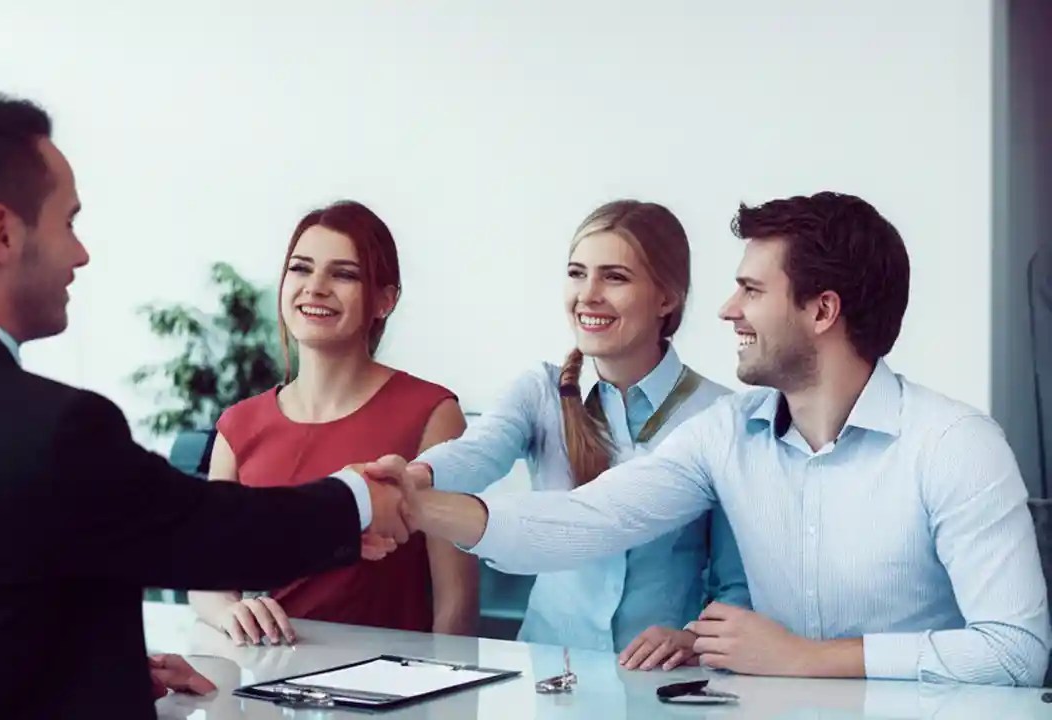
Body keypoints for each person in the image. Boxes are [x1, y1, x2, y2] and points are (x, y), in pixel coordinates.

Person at [0, 96, 412, 720]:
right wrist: (358, 496)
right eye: (68, 223)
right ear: (2, 233)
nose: (80, 254)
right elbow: (212, 535)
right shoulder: (54, 430)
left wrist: (90, 670)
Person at [363, 191, 1051, 687]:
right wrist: (419, 503)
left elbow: (1017, 651)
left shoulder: (956, 445)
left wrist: (808, 657)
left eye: (750, 290)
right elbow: (587, 518)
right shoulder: (727, 434)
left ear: (822, 310)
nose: (725, 310)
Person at [407, 200, 747, 668]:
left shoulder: (722, 415)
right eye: (576, 273)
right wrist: (415, 476)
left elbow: (737, 582)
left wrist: (692, 637)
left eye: (615, 277)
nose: (588, 295)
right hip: (548, 675)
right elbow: (478, 453)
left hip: (662, 686)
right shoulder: (540, 391)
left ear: (667, 298)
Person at [189, 200, 478, 643]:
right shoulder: (238, 425)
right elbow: (208, 579)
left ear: (385, 298)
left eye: (344, 274)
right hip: (264, 691)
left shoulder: (433, 414)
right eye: (301, 269)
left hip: (391, 694)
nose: (315, 287)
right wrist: (230, 612)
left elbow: (456, 600)